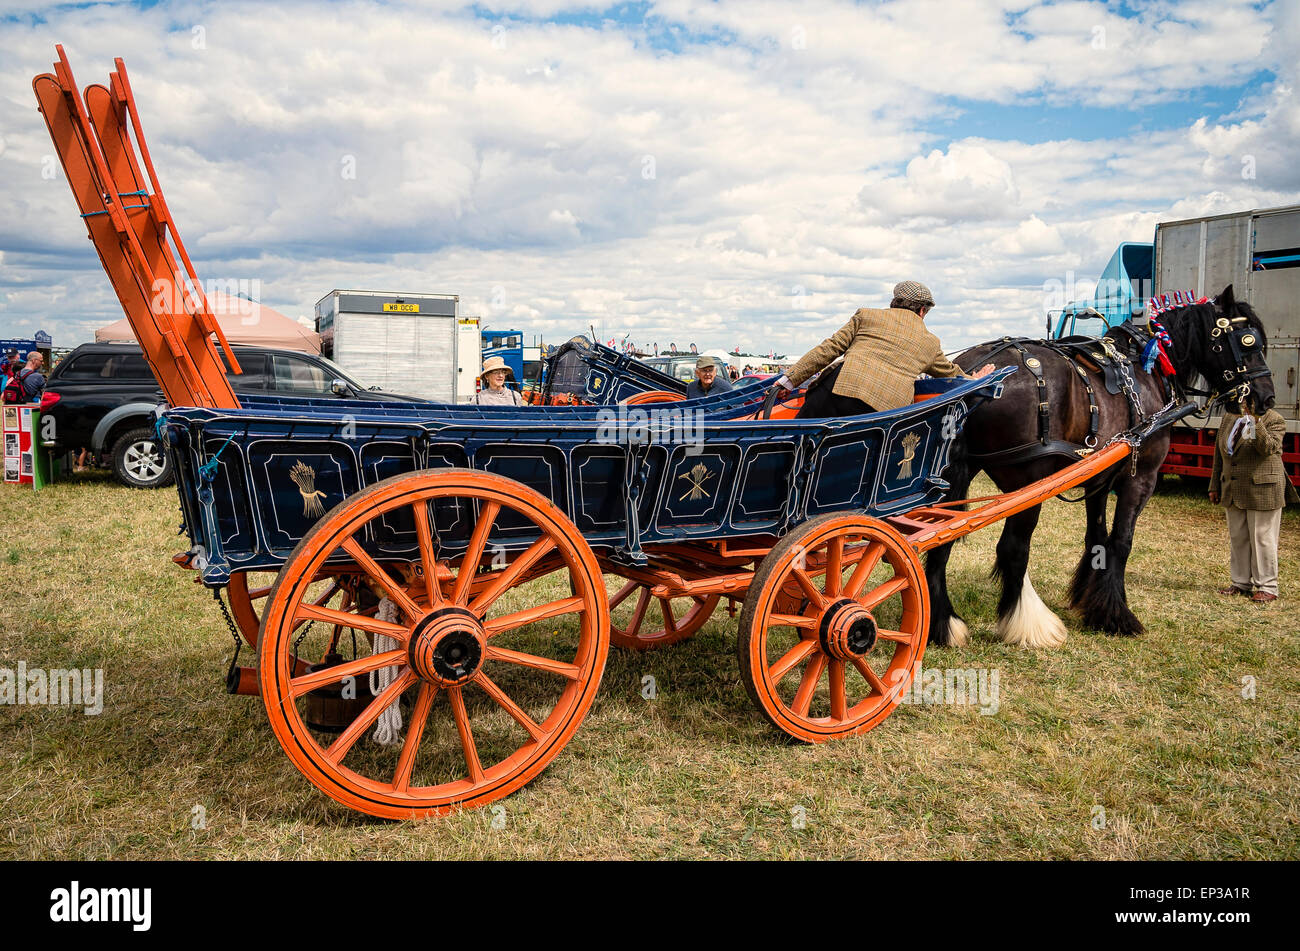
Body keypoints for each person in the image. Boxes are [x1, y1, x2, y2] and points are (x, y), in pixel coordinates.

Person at [775, 281, 994, 418]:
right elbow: (951, 373)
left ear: (893, 302)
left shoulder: (867, 315)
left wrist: (789, 380)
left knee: (800, 441)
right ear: (922, 311)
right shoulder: (930, 342)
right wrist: (974, 380)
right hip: (883, 408)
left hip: (839, 389)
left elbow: (828, 349)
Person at [1210, 395, 1298, 603]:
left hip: (1263, 489)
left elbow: (1267, 448)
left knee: (1262, 539)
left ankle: (1268, 586)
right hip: (1233, 487)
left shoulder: (1274, 420)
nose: (1245, 405)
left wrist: (1256, 423)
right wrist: (1214, 485)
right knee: (1238, 538)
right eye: (1243, 401)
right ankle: (1240, 582)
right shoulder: (1229, 418)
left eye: (1249, 402)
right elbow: (1219, 455)